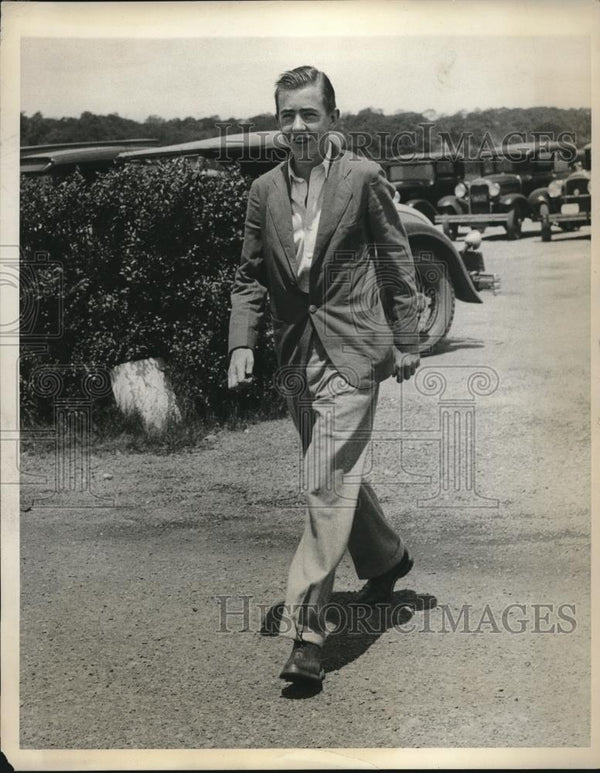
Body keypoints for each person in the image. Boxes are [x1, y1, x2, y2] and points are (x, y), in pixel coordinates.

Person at [228, 65, 421, 685]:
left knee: (322, 481)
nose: (298, 126)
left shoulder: (363, 179)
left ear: (332, 118)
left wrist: (408, 336)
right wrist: (242, 343)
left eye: (310, 113)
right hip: (296, 359)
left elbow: (395, 258)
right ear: (277, 121)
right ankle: (387, 559)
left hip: (353, 352)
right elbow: (250, 275)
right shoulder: (263, 191)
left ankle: (307, 636)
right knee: (335, 474)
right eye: (287, 115)